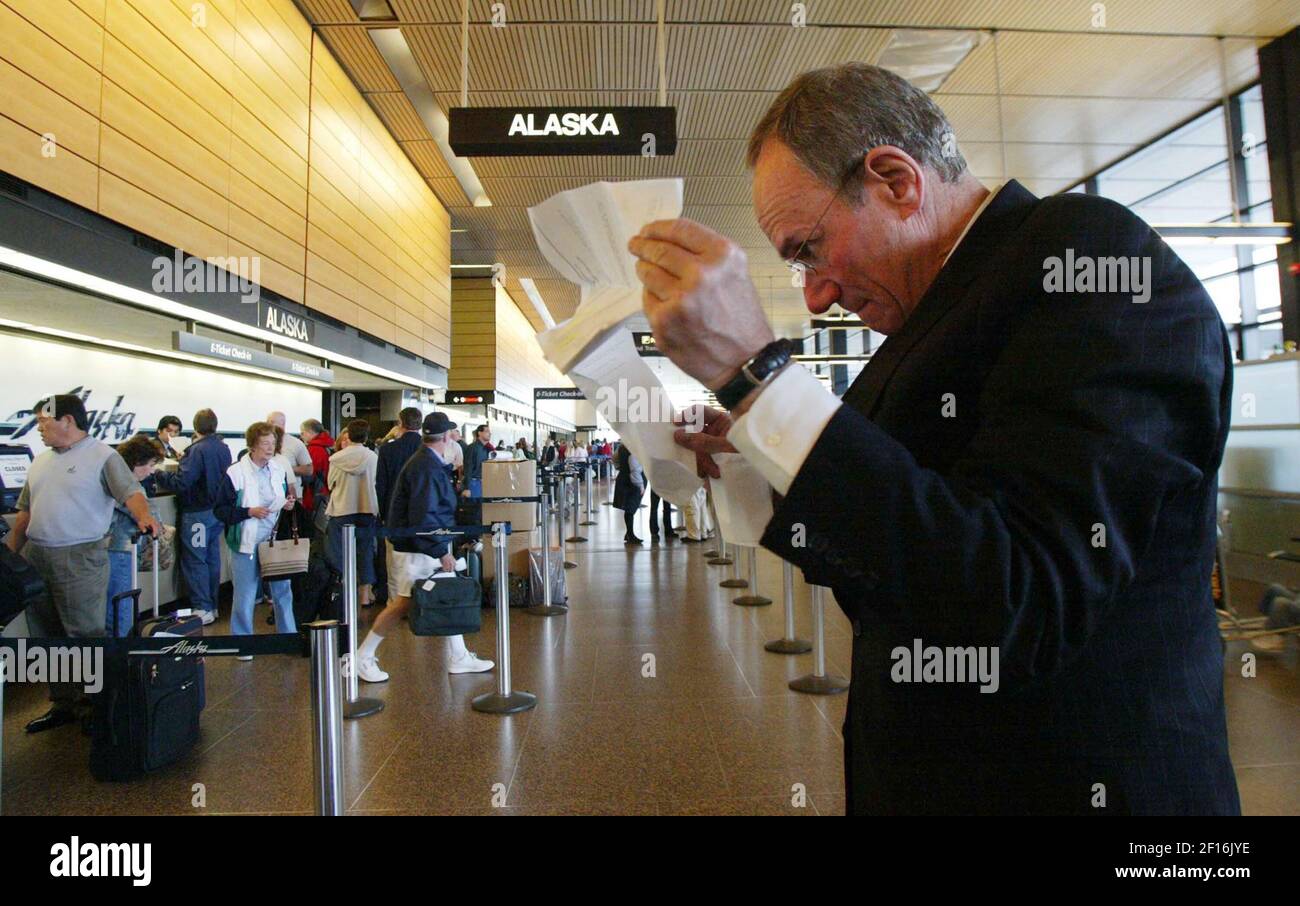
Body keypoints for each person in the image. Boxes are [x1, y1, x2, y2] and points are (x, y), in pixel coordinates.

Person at [629, 62, 1239, 816]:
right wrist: (747, 459)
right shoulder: (924, 328)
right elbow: (902, 557)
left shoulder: (1086, 259)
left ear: (895, 180)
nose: (817, 295)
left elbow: (1016, 599)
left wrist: (759, 376)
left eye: (808, 249)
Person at [5, 395, 161, 733]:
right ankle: (64, 703)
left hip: (80, 558)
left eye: (44, 421)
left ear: (68, 422)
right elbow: (25, 513)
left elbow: (131, 493)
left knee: (85, 635)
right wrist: (9, 553)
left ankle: (99, 705)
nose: (40, 428)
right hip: (38, 555)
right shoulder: (41, 461)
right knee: (47, 635)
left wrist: (145, 517)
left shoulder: (102, 456)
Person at [355, 412, 493, 682]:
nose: (453, 438)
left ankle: (459, 655)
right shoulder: (426, 467)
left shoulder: (426, 462)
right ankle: (363, 656)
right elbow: (424, 515)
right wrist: (440, 551)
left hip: (423, 544)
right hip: (420, 549)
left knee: (446, 593)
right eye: (451, 434)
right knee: (403, 603)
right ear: (443, 437)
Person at [214, 421, 297, 654]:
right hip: (246, 541)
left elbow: (281, 498)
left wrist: (287, 505)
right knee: (245, 593)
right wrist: (249, 511)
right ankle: (242, 644)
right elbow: (220, 510)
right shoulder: (235, 473)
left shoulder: (278, 469)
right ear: (252, 445)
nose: (270, 448)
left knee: (282, 591)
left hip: (273, 540)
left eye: (273, 443)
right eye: (265, 444)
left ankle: (288, 639)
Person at [150, 408, 231, 625]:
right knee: (212, 559)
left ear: (195, 427)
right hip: (215, 512)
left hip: (197, 514)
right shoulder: (223, 448)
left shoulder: (196, 451)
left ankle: (202, 607)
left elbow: (182, 482)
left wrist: (157, 473)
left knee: (196, 560)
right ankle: (212, 605)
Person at [105, 435, 167, 636]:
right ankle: (122, 657)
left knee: (110, 608)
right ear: (136, 462)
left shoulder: (107, 478)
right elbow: (152, 517)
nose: (150, 471)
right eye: (149, 465)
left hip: (106, 548)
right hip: (121, 549)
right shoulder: (128, 486)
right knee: (122, 608)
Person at [326, 419, 379, 608]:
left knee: (338, 552)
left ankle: (343, 592)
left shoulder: (336, 458)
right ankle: (365, 595)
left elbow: (330, 483)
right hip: (366, 507)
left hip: (342, 509)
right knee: (365, 551)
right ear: (365, 436)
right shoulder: (372, 457)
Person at [266, 410, 312, 498]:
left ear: (283, 424)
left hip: (292, 494)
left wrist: (286, 468)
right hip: (269, 496)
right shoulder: (263, 442)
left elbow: (309, 469)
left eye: (271, 422)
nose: (268, 425)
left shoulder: (296, 443)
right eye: (267, 421)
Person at [299, 418, 335, 517]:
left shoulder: (313, 449)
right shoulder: (329, 445)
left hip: (315, 494)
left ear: (310, 432)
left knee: (316, 528)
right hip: (327, 491)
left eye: (302, 433)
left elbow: (310, 474)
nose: (301, 437)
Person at [612, 443, 645, 545]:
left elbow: (614, 459)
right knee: (631, 507)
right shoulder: (634, 447)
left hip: (623, 478)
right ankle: (630, 534)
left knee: (628, 508)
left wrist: (621, 468)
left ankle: (629, 533)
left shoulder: (621, 447)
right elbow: (634, 466)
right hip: (632, 482)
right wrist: (640, 484)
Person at [461, 423, 492, 499]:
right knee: (476, 508)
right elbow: (468, 467)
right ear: (479, 433)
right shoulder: (472, 448)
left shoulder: (487, 449)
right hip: (474, 483)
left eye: (489, 431)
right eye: (487, 431)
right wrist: (467, 487)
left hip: (483, 482)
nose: (489, 433)